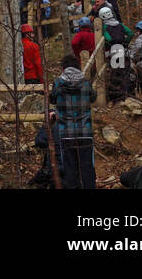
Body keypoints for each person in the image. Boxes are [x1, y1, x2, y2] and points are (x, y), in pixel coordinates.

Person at [49, 53, 97, 189]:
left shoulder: (58, 83)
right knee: (87, 168)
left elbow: (52, 99)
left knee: (70, 169)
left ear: (63, 68)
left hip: (66, 133)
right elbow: (93, 98)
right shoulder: (86, 82)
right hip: (85, 132)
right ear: (78, 67)